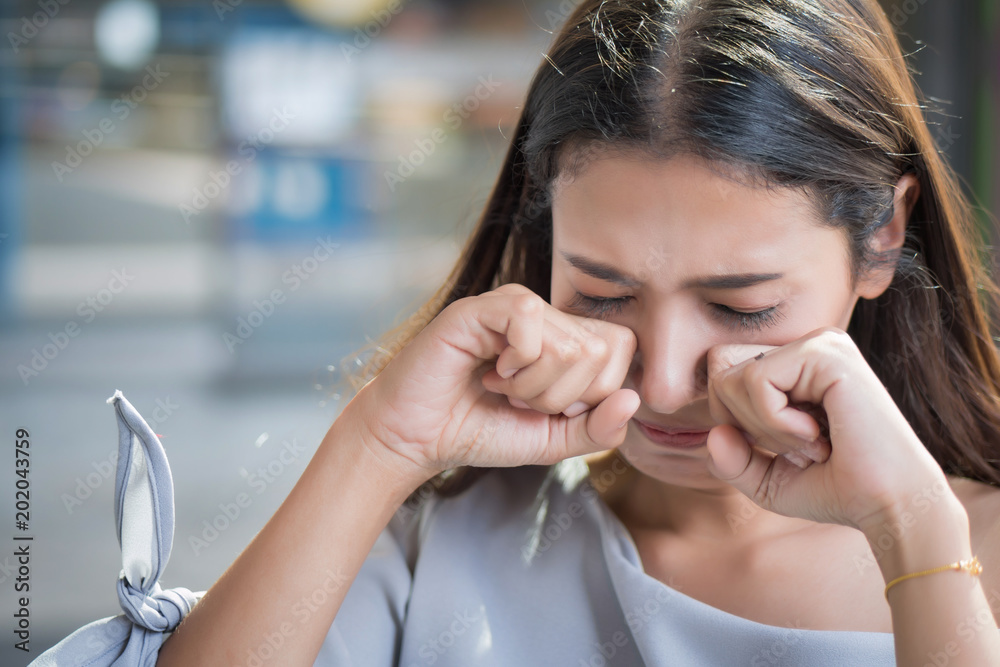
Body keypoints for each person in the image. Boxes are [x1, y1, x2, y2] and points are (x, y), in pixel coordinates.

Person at [157, 0, 1000, 664]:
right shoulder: (446, 549)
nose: (666, 382)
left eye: (743, 307)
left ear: (883, 235)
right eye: (602, 292)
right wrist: (379, 443)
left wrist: (917, 530)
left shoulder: (970, 548)